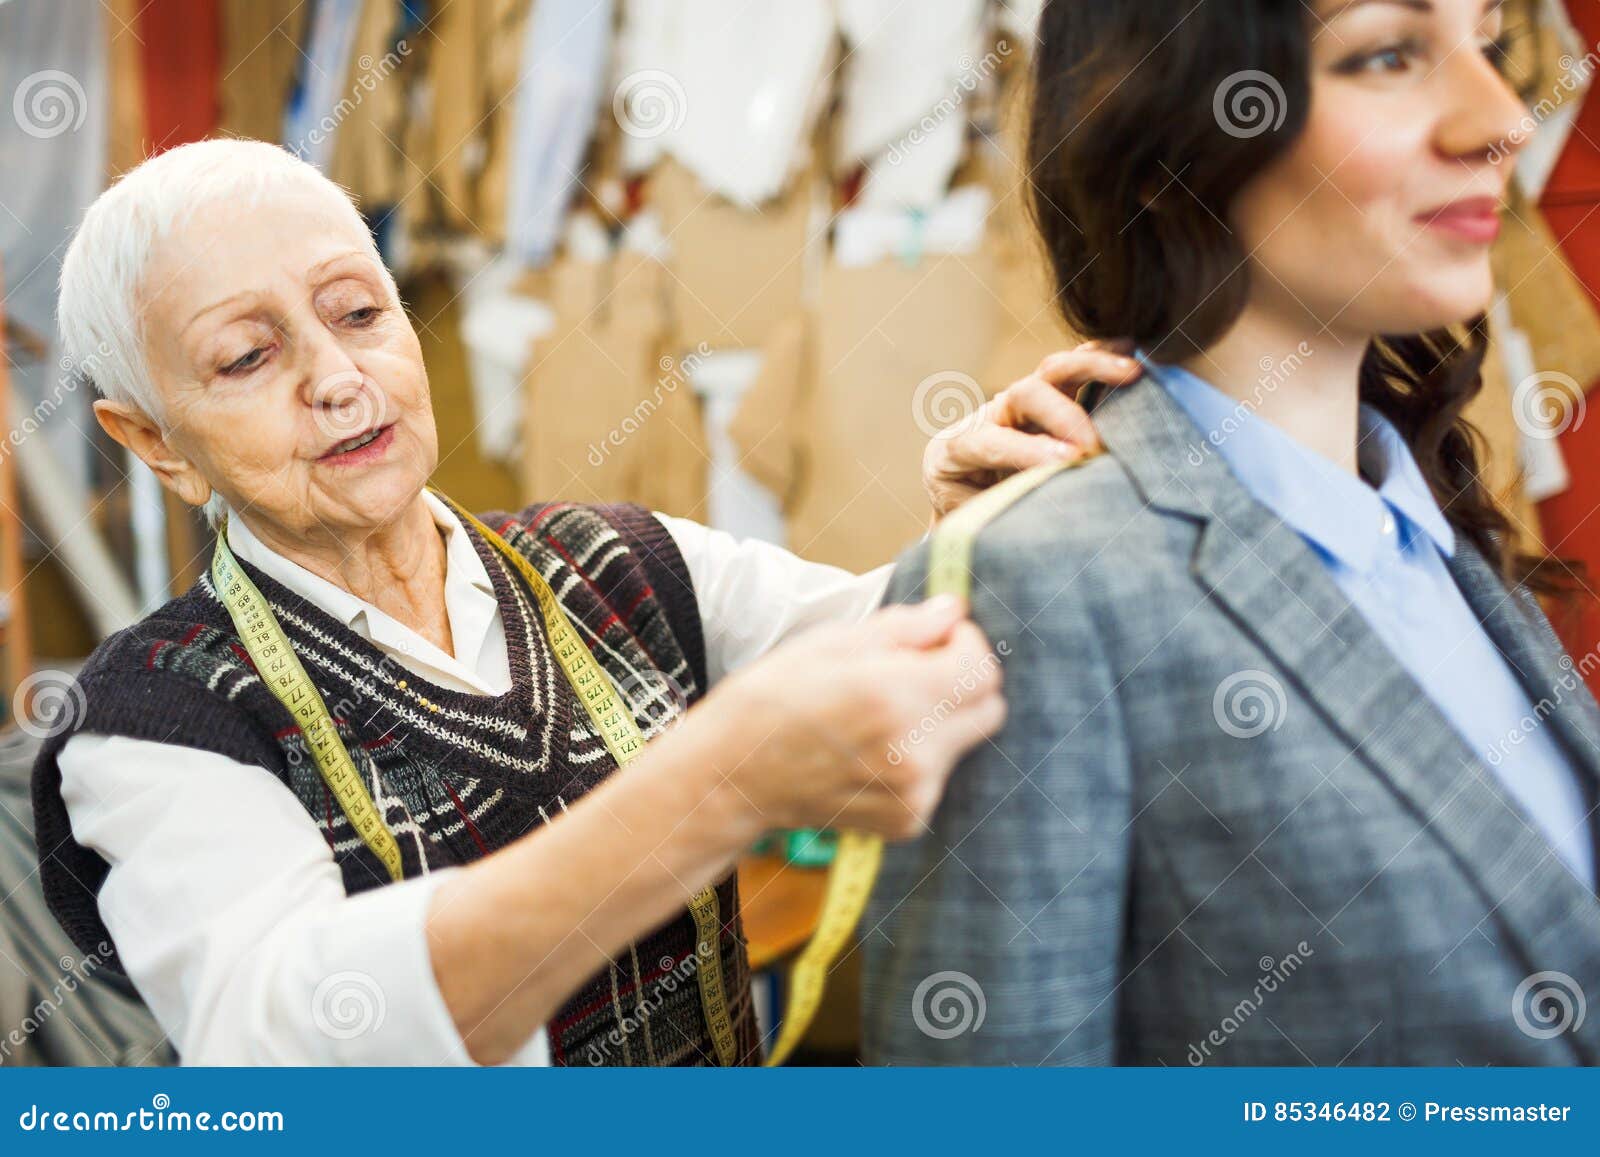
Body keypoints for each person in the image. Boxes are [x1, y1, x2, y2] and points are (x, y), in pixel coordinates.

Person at [26, 137, 1124, 1067]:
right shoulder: (152, 721)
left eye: (358, 311)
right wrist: (713, 789)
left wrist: (971, 535)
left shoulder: (618, 562)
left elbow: (908, 654)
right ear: (155, 444)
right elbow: (296, 1041)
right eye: (248, 355)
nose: (336, 375)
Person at [864, 0, 1600, 1065]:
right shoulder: (1042, 585)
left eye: (1485, 45)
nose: (1499, 120)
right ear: (1174, 123)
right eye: (1388, 55)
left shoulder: (1429, 530)